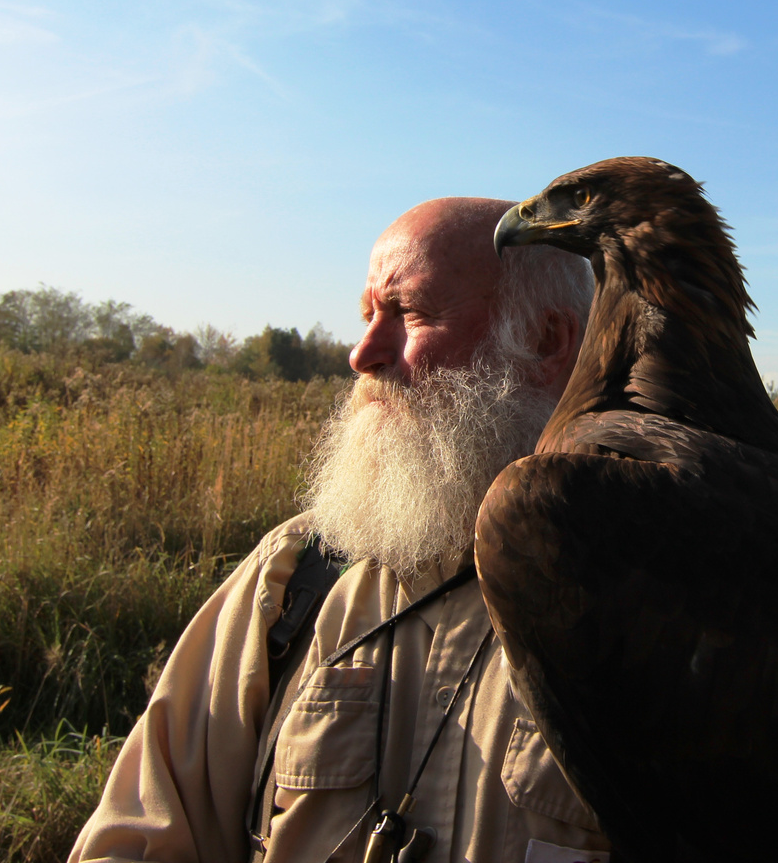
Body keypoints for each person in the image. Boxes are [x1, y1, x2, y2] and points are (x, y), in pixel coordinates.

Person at [69, 197, 607, 863]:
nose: (363, 354)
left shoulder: (659, 599)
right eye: (367, 315)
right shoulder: (296, 577)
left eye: (407, 314)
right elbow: (143, 837)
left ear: (546, 341)